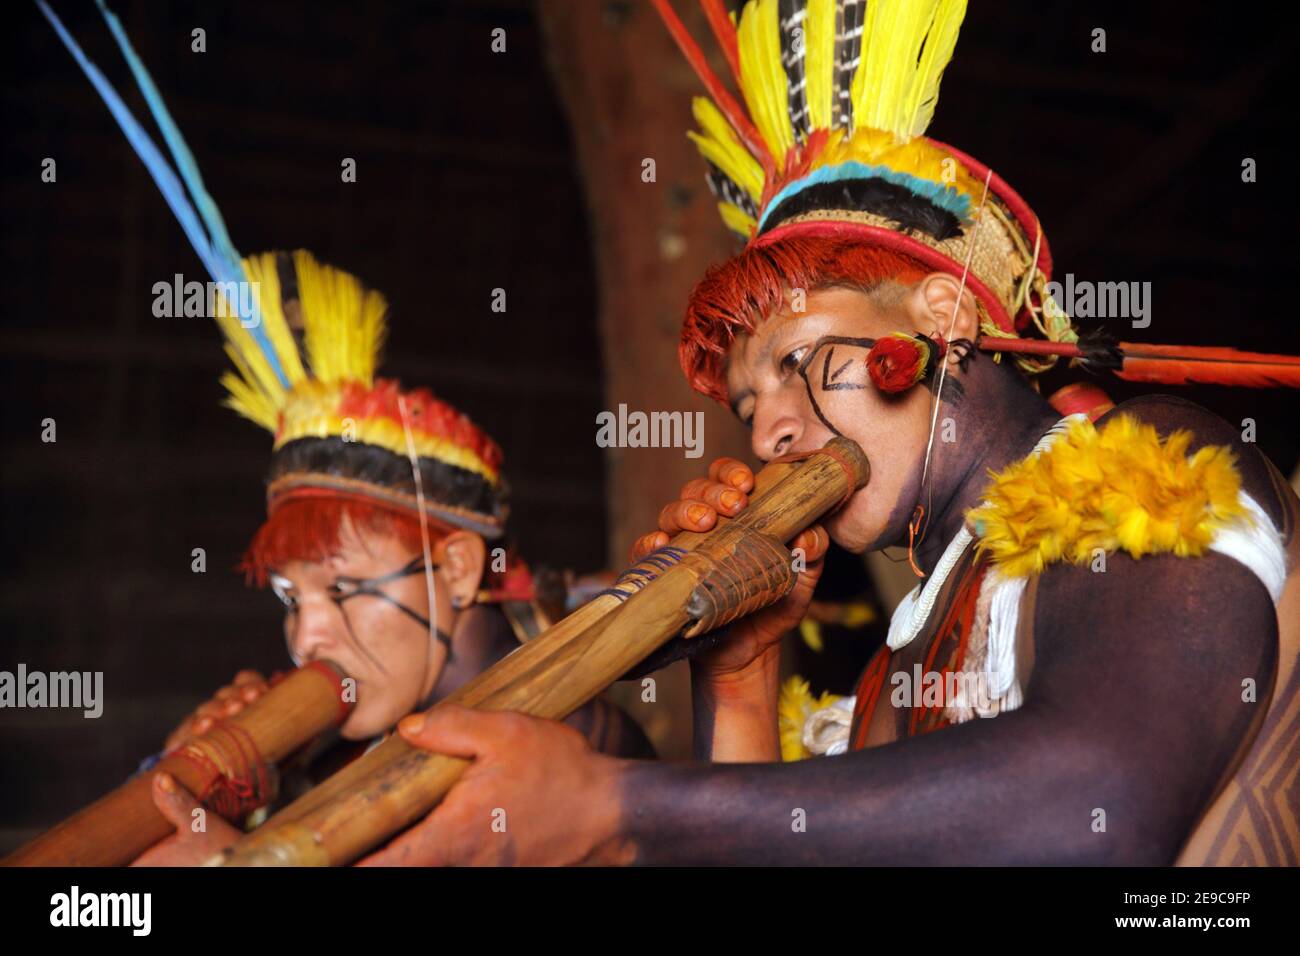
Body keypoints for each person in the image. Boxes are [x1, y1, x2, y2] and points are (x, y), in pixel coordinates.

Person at [358, 0, 1299, 866]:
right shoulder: (899, 675)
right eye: (746, 404)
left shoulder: (1155, 464)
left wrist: (617, 802)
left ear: (942, 317)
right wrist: (739, 677)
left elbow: (1103, 805)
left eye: (802, 359)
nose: (770, 428)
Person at [36, 3, 651, 868]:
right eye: (292, 600)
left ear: (459, 569)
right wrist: (225, 797)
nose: (305, 640)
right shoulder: (334, 756)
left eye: (344, 587)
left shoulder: (576, 746)